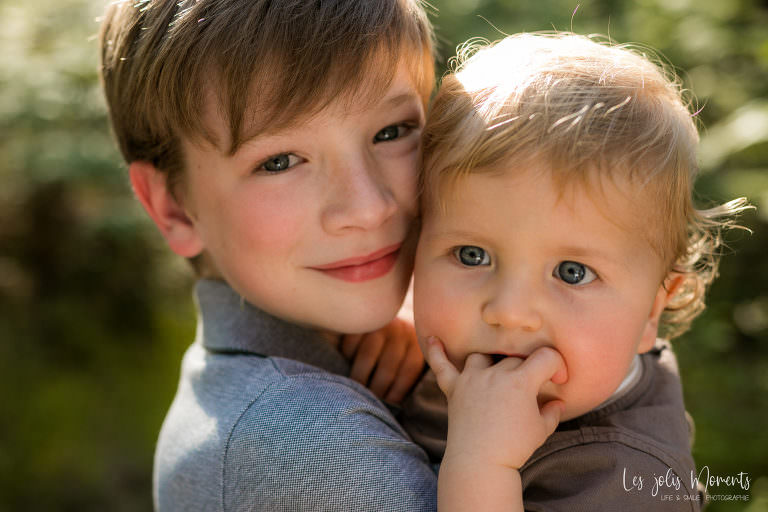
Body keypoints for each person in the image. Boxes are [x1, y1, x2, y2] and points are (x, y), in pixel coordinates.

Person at [98, 0, 445, 510]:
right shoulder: (316, 448)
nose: (368, 208)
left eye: (391, 132)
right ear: (174, 207)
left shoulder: (244, 390)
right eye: (279, 162)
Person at [413, 32, 749, 511]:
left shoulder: (628, 483)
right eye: (472, 256)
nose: (510, 313)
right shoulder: (465, 350)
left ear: (652, 310)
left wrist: (482, 465)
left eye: (572, 272)